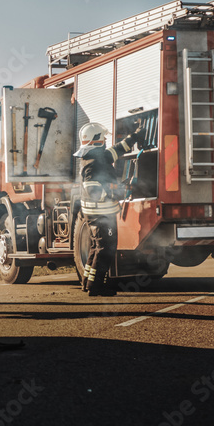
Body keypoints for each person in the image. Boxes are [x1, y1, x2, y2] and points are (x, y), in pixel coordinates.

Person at [73, 121, 142, 296]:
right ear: (96, 140)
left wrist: (134, 137)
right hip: (101, 215)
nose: (105, 141)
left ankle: (88, 282)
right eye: (103, 138)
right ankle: (97, 287)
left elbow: (117, 150)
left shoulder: (96, 156)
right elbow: (92, 190)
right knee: (106, 250)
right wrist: (117, 191)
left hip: (96, 214)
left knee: (96, 247)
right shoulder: (93, 163)